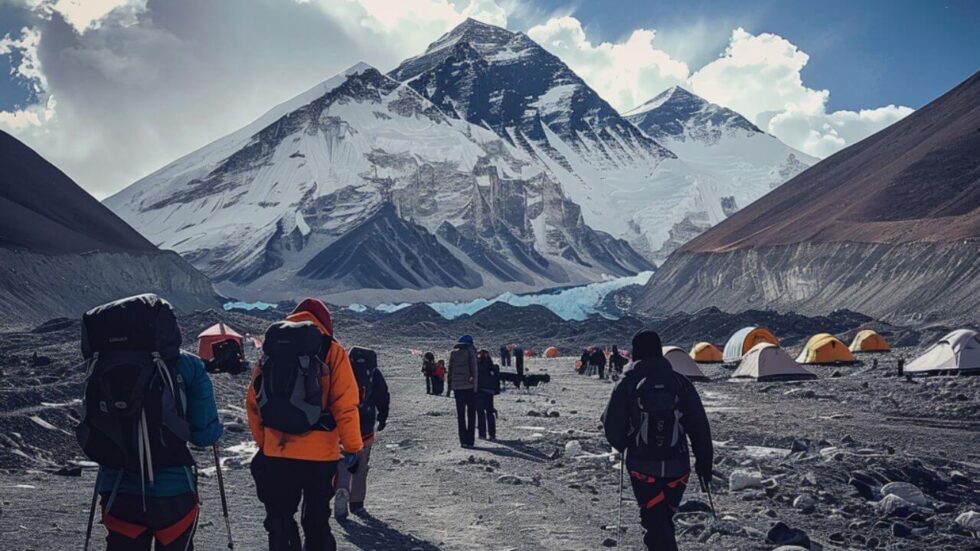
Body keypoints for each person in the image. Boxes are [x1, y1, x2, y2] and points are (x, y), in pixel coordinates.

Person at [78, 294, 223, 551]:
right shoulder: (187, 365)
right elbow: (204, 435)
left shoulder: (100, 364)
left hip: (118, 488)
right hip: (173, 490)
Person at [246, 298, 363, 551]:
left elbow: (253, 403)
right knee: (316, 521)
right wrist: (353, 446)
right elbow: (345, 405)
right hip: (321, 457)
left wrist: (264, 442)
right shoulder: (332, 350)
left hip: (278, 451)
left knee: (280, 519)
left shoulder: (273, 349)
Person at [602, 330, 713, 551]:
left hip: (642, 468)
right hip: (678, 469)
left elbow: (611, 426)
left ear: (635, 352)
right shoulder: (680, 383)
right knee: (663, 520)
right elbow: (699, 427)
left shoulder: (628, 383)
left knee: (654, 522)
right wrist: (704, 464)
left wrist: (627, 446)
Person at [335, 347, 390, 520]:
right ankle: (357, 504)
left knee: (343, 462)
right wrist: (382, 417)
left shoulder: (343, 369)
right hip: (365, 426)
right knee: (362, 464)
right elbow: (383, 396)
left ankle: (341, 488)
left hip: (343, 426)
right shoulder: (374, 373)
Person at [447, 335, 478, 448]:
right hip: (469, 387)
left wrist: (449, 387)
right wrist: (475, 387)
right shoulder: (471, 352)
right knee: (471, 414)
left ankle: (463, 440)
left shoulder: (453, 353)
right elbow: (474, 370)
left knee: (460, 415)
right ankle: (470, 440)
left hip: (457, 388)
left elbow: (450, 370)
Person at [475, 349, 500, 441]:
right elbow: (497, 381)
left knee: (480, 413)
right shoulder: (493, 367)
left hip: (479, 391)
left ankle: (482, 434)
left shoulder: (477, 367)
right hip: (490, 392)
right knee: (490, 412)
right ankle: (492, 434)